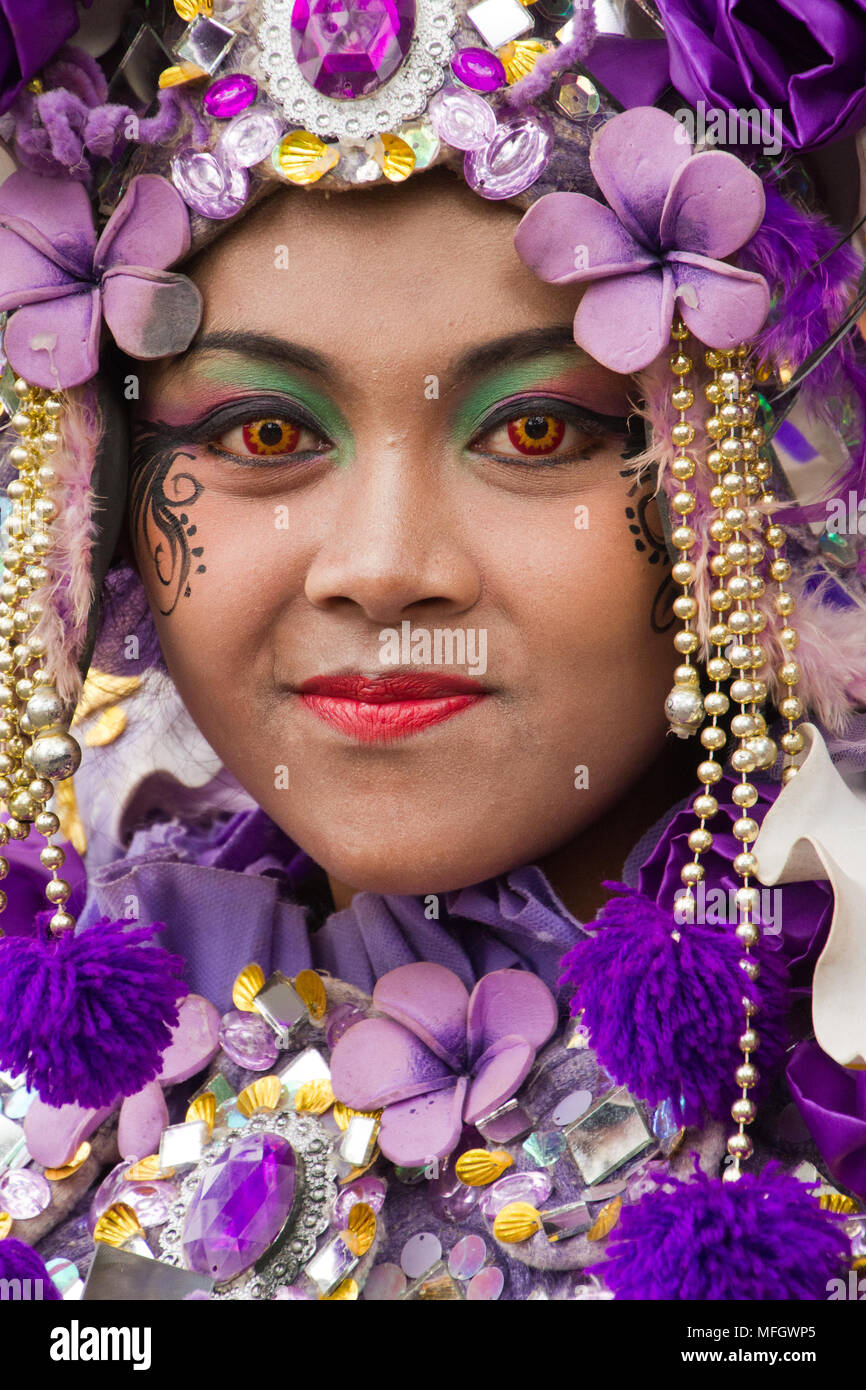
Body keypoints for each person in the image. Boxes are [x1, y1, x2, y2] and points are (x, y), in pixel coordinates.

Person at [0, 0, 864, 1303]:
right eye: (264, 434)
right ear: (104, 502)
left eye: (533, 432)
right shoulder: (67, 1060)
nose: (382, 566)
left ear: (736, 495)